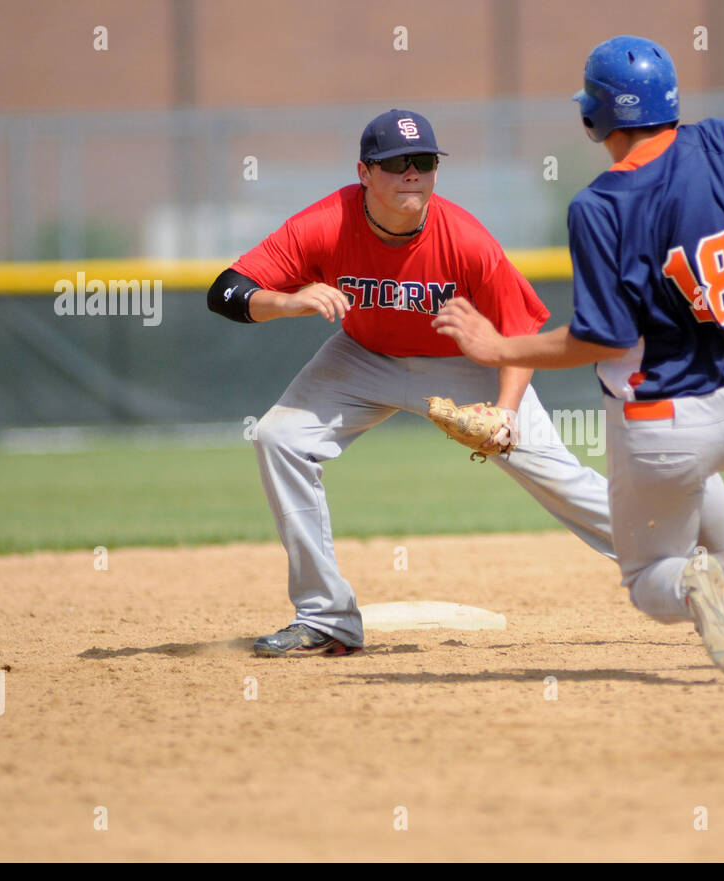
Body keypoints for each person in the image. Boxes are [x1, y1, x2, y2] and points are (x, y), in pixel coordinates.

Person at [433, 37, 724, 683]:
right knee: (700, 475)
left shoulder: (599, 206)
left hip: (661, 430)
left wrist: (496, 347)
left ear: (596, 119)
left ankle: (690, 583)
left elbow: (602, 338)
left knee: (646, 575)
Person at [207, 109, 615, 658]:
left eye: (423, 162)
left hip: (464, 362)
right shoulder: (326, 222)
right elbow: (225, 291)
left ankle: (683, 565)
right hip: (363, 357)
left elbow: (519, 330)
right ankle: (325, 618)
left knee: (560, 479)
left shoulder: (467, 240)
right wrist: (285, 301)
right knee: (279, 439)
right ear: (364, 171)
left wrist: (506, 411)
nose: (411, 174)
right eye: (396, 163)